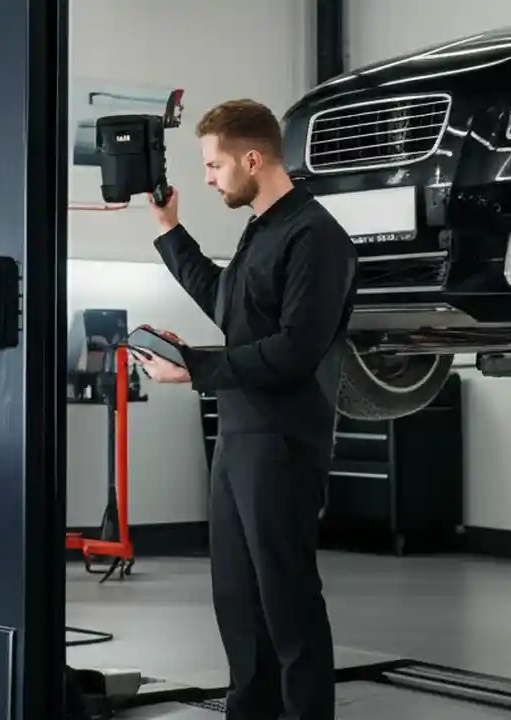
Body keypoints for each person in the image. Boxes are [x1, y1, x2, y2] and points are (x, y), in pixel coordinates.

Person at [131, 99, 357, 720]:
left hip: (282, 442)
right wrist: (169, 230)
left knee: (286, 598)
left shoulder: (316, 238)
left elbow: (294, 351)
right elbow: (229, 307)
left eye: (214, 164)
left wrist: (195, 369)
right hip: (238, 436)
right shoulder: (261, 228)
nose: (208, 178)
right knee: (237, 596)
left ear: (253, 158)